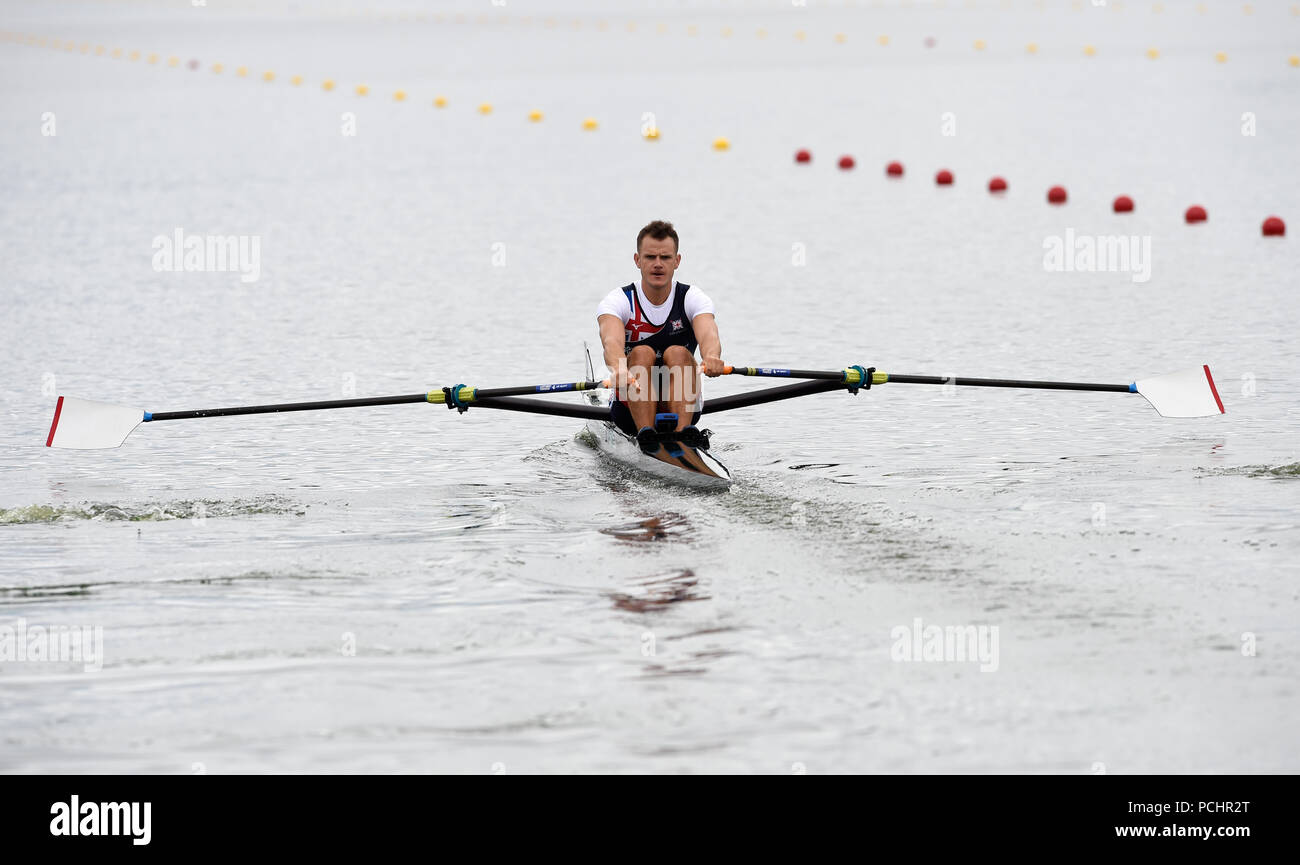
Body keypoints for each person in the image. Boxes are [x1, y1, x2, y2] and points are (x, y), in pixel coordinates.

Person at [595, 220, 726, 453]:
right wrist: (619, 368)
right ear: (637, 260)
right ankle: (646, 434)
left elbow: (708, 332)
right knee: (641, 352)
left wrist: (712, 356)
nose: (658, 264)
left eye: (665, 258)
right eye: (650, 257)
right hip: (629, 408)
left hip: (683, 404)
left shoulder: (692, 297)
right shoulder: (619, 300)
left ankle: (683, 435)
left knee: (677, 352)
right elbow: (611, 342)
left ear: (677, 261)